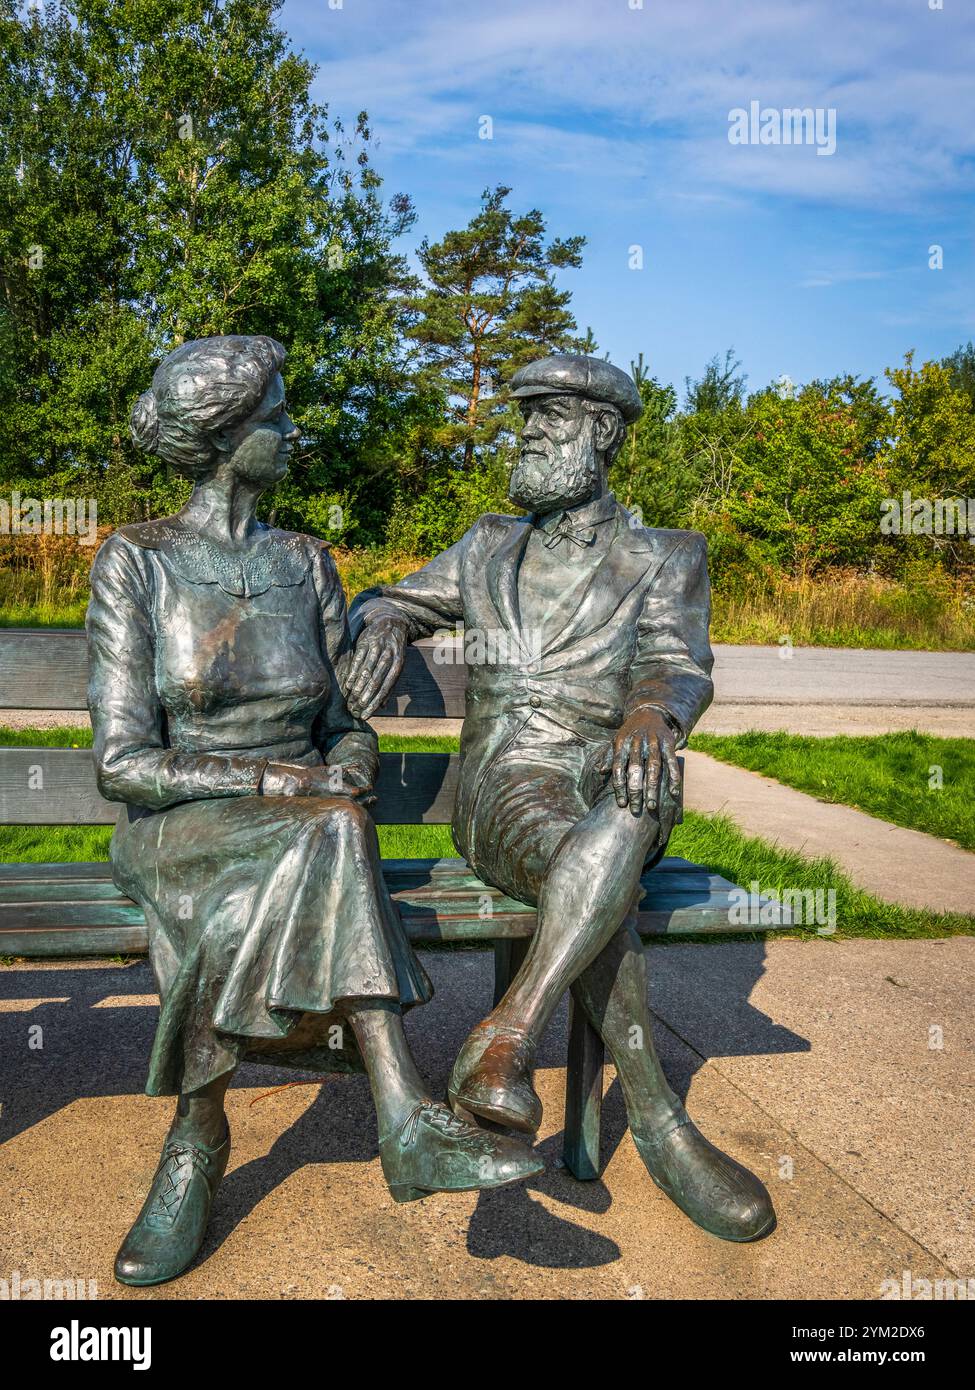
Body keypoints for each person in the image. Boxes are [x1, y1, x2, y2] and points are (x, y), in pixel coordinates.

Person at [86, 335, 542, 1288]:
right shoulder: (136, 561)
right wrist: (279, 785)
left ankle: (198, 1139)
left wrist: (349, 766)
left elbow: (343, 725)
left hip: (309, 828)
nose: (295, 432)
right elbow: (123, 763)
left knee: (327, 835)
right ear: (220, 437)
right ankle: (394, 1119)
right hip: (182, 823)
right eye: (276, 418)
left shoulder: (306, 563)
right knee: (324, 838)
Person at [346, 353, 775, 1243]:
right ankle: (658, 1119)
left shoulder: (667, 555)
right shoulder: (487, 542)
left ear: (603, 431)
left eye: (549, 414)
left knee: (629, 804)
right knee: (599, 864)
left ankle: (508, 1030)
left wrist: (653, 712)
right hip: (509, 784)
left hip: (615, 772)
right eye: (526, 415)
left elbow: (674, 660)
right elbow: (392, 596)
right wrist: (384, 618)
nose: (529, 430)